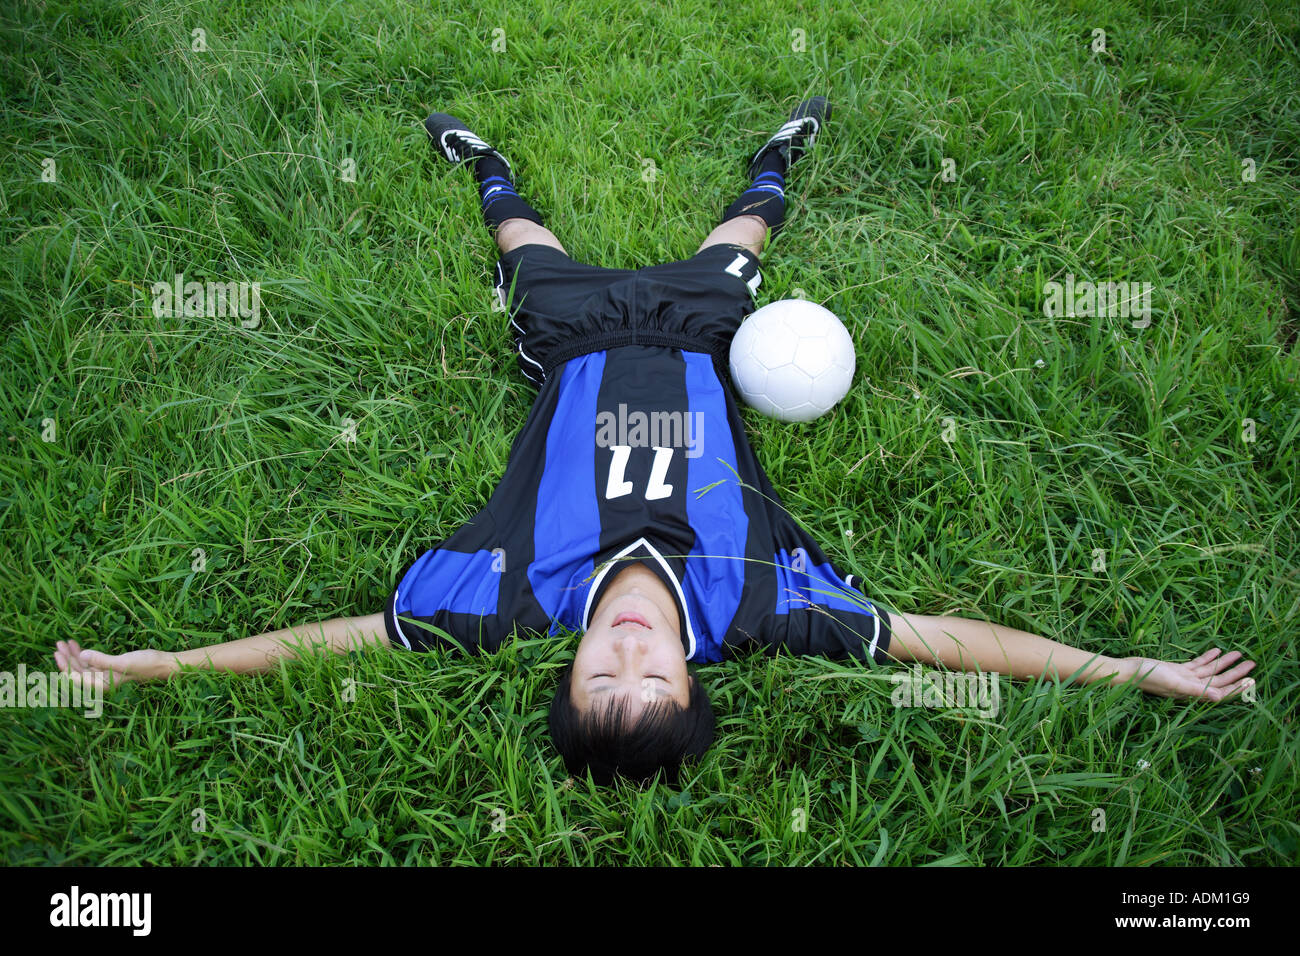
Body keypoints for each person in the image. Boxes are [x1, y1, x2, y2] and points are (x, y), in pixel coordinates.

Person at [53, 99, 1257, 786]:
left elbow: (327, 637)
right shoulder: (761, 604)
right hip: (699, 336)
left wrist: (161, 662)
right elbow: (943, 638)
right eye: (654, 679)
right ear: (694, 675)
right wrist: (1123, 667)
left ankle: (483, 162)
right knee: (743, 235)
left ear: (563, 669)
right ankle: (780, 153)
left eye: (599, 677)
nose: (628, 653)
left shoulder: (504, 595)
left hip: (577, 341)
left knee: (520, 236)